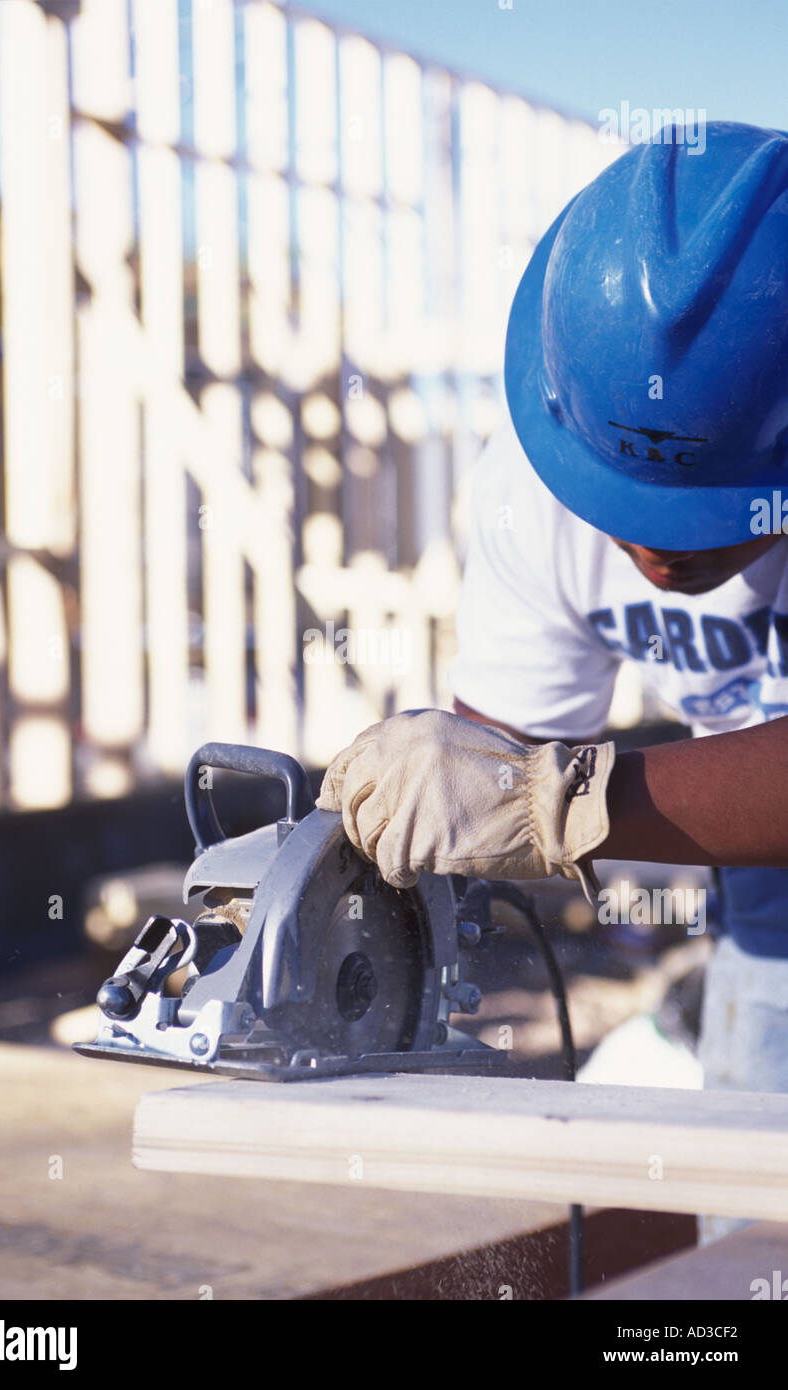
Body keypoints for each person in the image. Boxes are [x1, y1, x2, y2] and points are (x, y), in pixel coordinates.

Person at [317, 124, 788, 1209]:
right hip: (769, 907)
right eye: (620, 502)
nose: (653, 549)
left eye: (699, 509)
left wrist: (559, 803)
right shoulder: (536, 485)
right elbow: (497, 772)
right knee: (755, 1252)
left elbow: (541, 796)